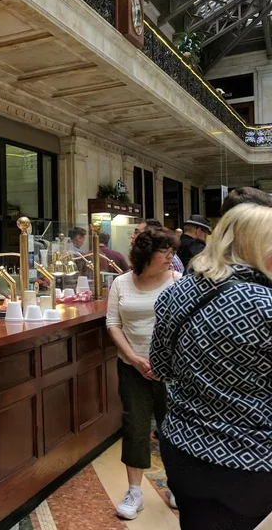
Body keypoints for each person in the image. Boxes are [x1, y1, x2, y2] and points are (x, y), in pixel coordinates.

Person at [151, 204, 272, 530]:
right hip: (251, 457)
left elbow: (161, 366)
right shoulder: (266, 305)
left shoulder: (175, 292)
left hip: (182, 446)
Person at [106, 225, 181, 520]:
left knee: (172, 428)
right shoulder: (121, 283)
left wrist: (165, 360)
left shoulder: (178, 281)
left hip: (171, 369)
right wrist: (134, 358)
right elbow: (113, 323)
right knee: (135, 426)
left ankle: (178, 484)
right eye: (166, 252)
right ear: (147, 254)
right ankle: (134, 491)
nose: (171, 257)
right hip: (131, 366)